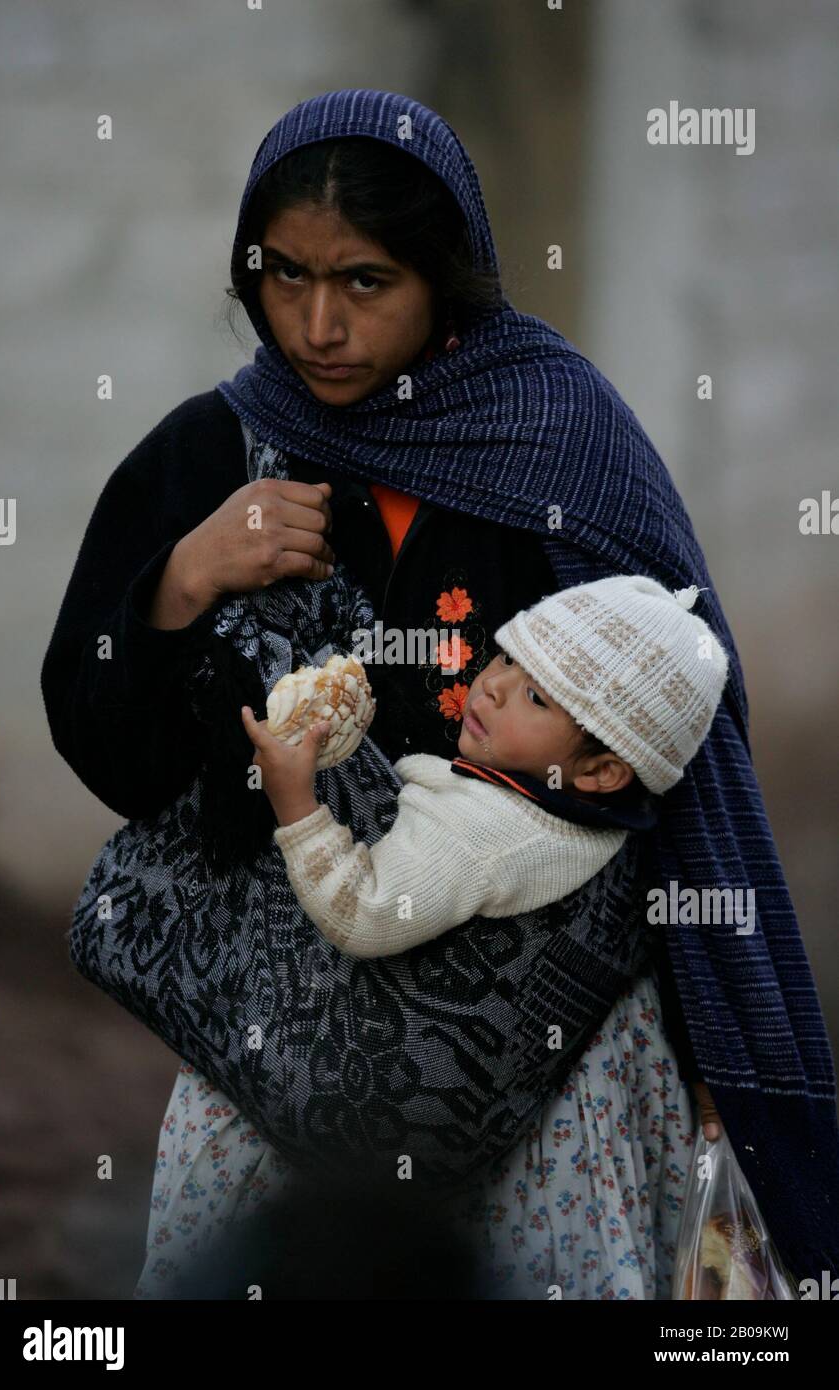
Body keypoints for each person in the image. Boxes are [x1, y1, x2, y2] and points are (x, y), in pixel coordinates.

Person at [42, 90, 839, 1297]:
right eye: (287, 277)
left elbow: (685, 755)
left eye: (365, 282)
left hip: (547, 1052)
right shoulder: (211, 457)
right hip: (287, 1035)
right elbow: (113, 748)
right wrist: (185, 574)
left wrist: (713, 1048)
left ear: (446, 278)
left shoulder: (562, 444)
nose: (318, 324)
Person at [246, 576, 728, 960]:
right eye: (508, 657)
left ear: (601, 773)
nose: (495, 685)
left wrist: (295, 805)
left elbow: (363, 914)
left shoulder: (480, 836)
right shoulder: (577, 807)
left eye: (536, 697)